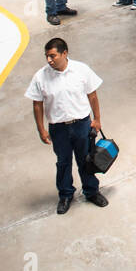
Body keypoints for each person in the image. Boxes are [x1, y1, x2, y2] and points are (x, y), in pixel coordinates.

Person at [25, 37, 108, 214]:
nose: (49, 60)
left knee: (86, 160)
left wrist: (97, 119)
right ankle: (65, 195)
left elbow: (92, 95)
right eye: (47, 56)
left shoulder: (81, 70)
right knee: (63, 162)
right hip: (58, 129)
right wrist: (41, 129)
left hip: (82, 124)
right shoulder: (41, 76)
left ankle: (91, 191)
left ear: (65, 53)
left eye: (53, 56)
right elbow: (37, 104)